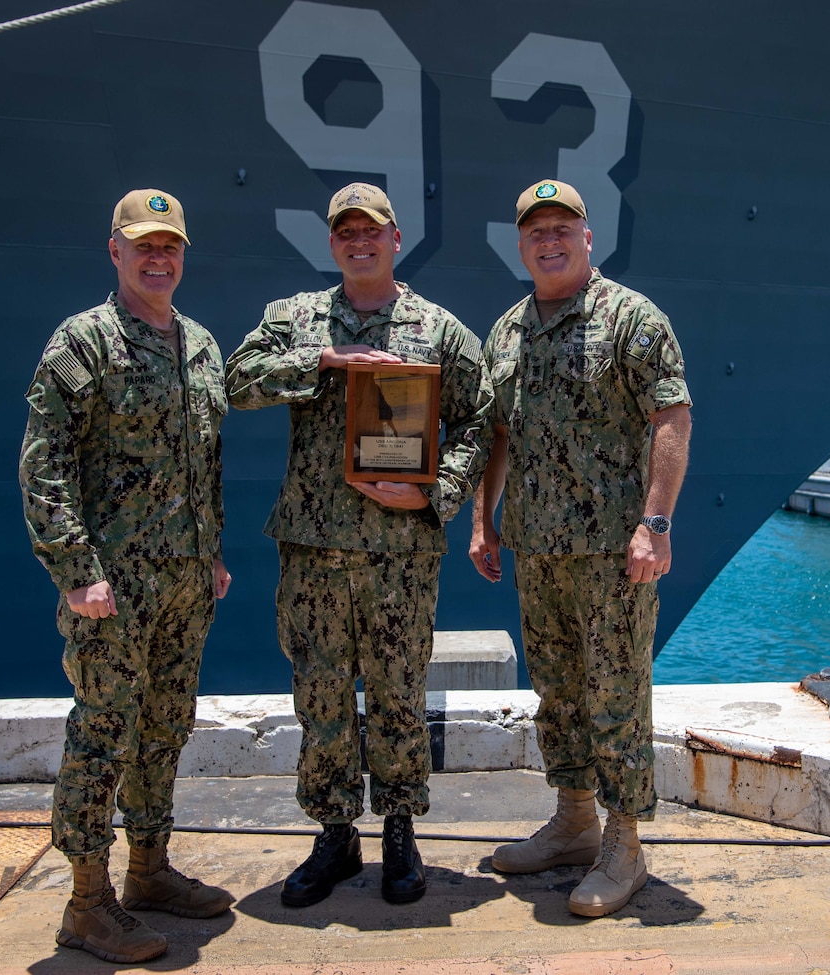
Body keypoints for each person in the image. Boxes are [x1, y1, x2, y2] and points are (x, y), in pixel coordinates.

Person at [225, 183, 491, 907]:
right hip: (313, 549)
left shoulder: (439, 330)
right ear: (332, 242)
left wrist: (433, 493)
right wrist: (322, 361)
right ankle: (335, 832)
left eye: (371, 229)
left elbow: (481, 420)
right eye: (346, 231)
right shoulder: (294, 319)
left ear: (395, 239)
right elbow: (235, 382)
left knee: (399, 691)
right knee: (321, 693)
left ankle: (400, 830)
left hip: (400, 551)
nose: (359, 241)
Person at [19, 189, 235, 963]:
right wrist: (77, 571)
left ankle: (149, 868)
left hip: (185, 583)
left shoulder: (200, 345)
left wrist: (210, 552)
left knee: (165, 727)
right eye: (144, 245)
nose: (158, 258)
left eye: (169, 246)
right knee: (102, 733)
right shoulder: (84, 342)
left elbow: (204, 462)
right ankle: (86, 902)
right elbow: (44, 465)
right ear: (115, 251)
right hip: (112, 588)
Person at [469, 179, 692, 917]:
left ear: (587, 238)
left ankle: (624, 843)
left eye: (562, 228)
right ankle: (573, 821)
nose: (550, 241)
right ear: (521, 243)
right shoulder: (507, 332)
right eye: (536, 230)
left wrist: (655, 525)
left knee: (616, 695)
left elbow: (671, 416)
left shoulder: (631, 318)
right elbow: (499, 432)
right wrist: (483, 520)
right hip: (537, 551)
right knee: (557, 691)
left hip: (612, 555)